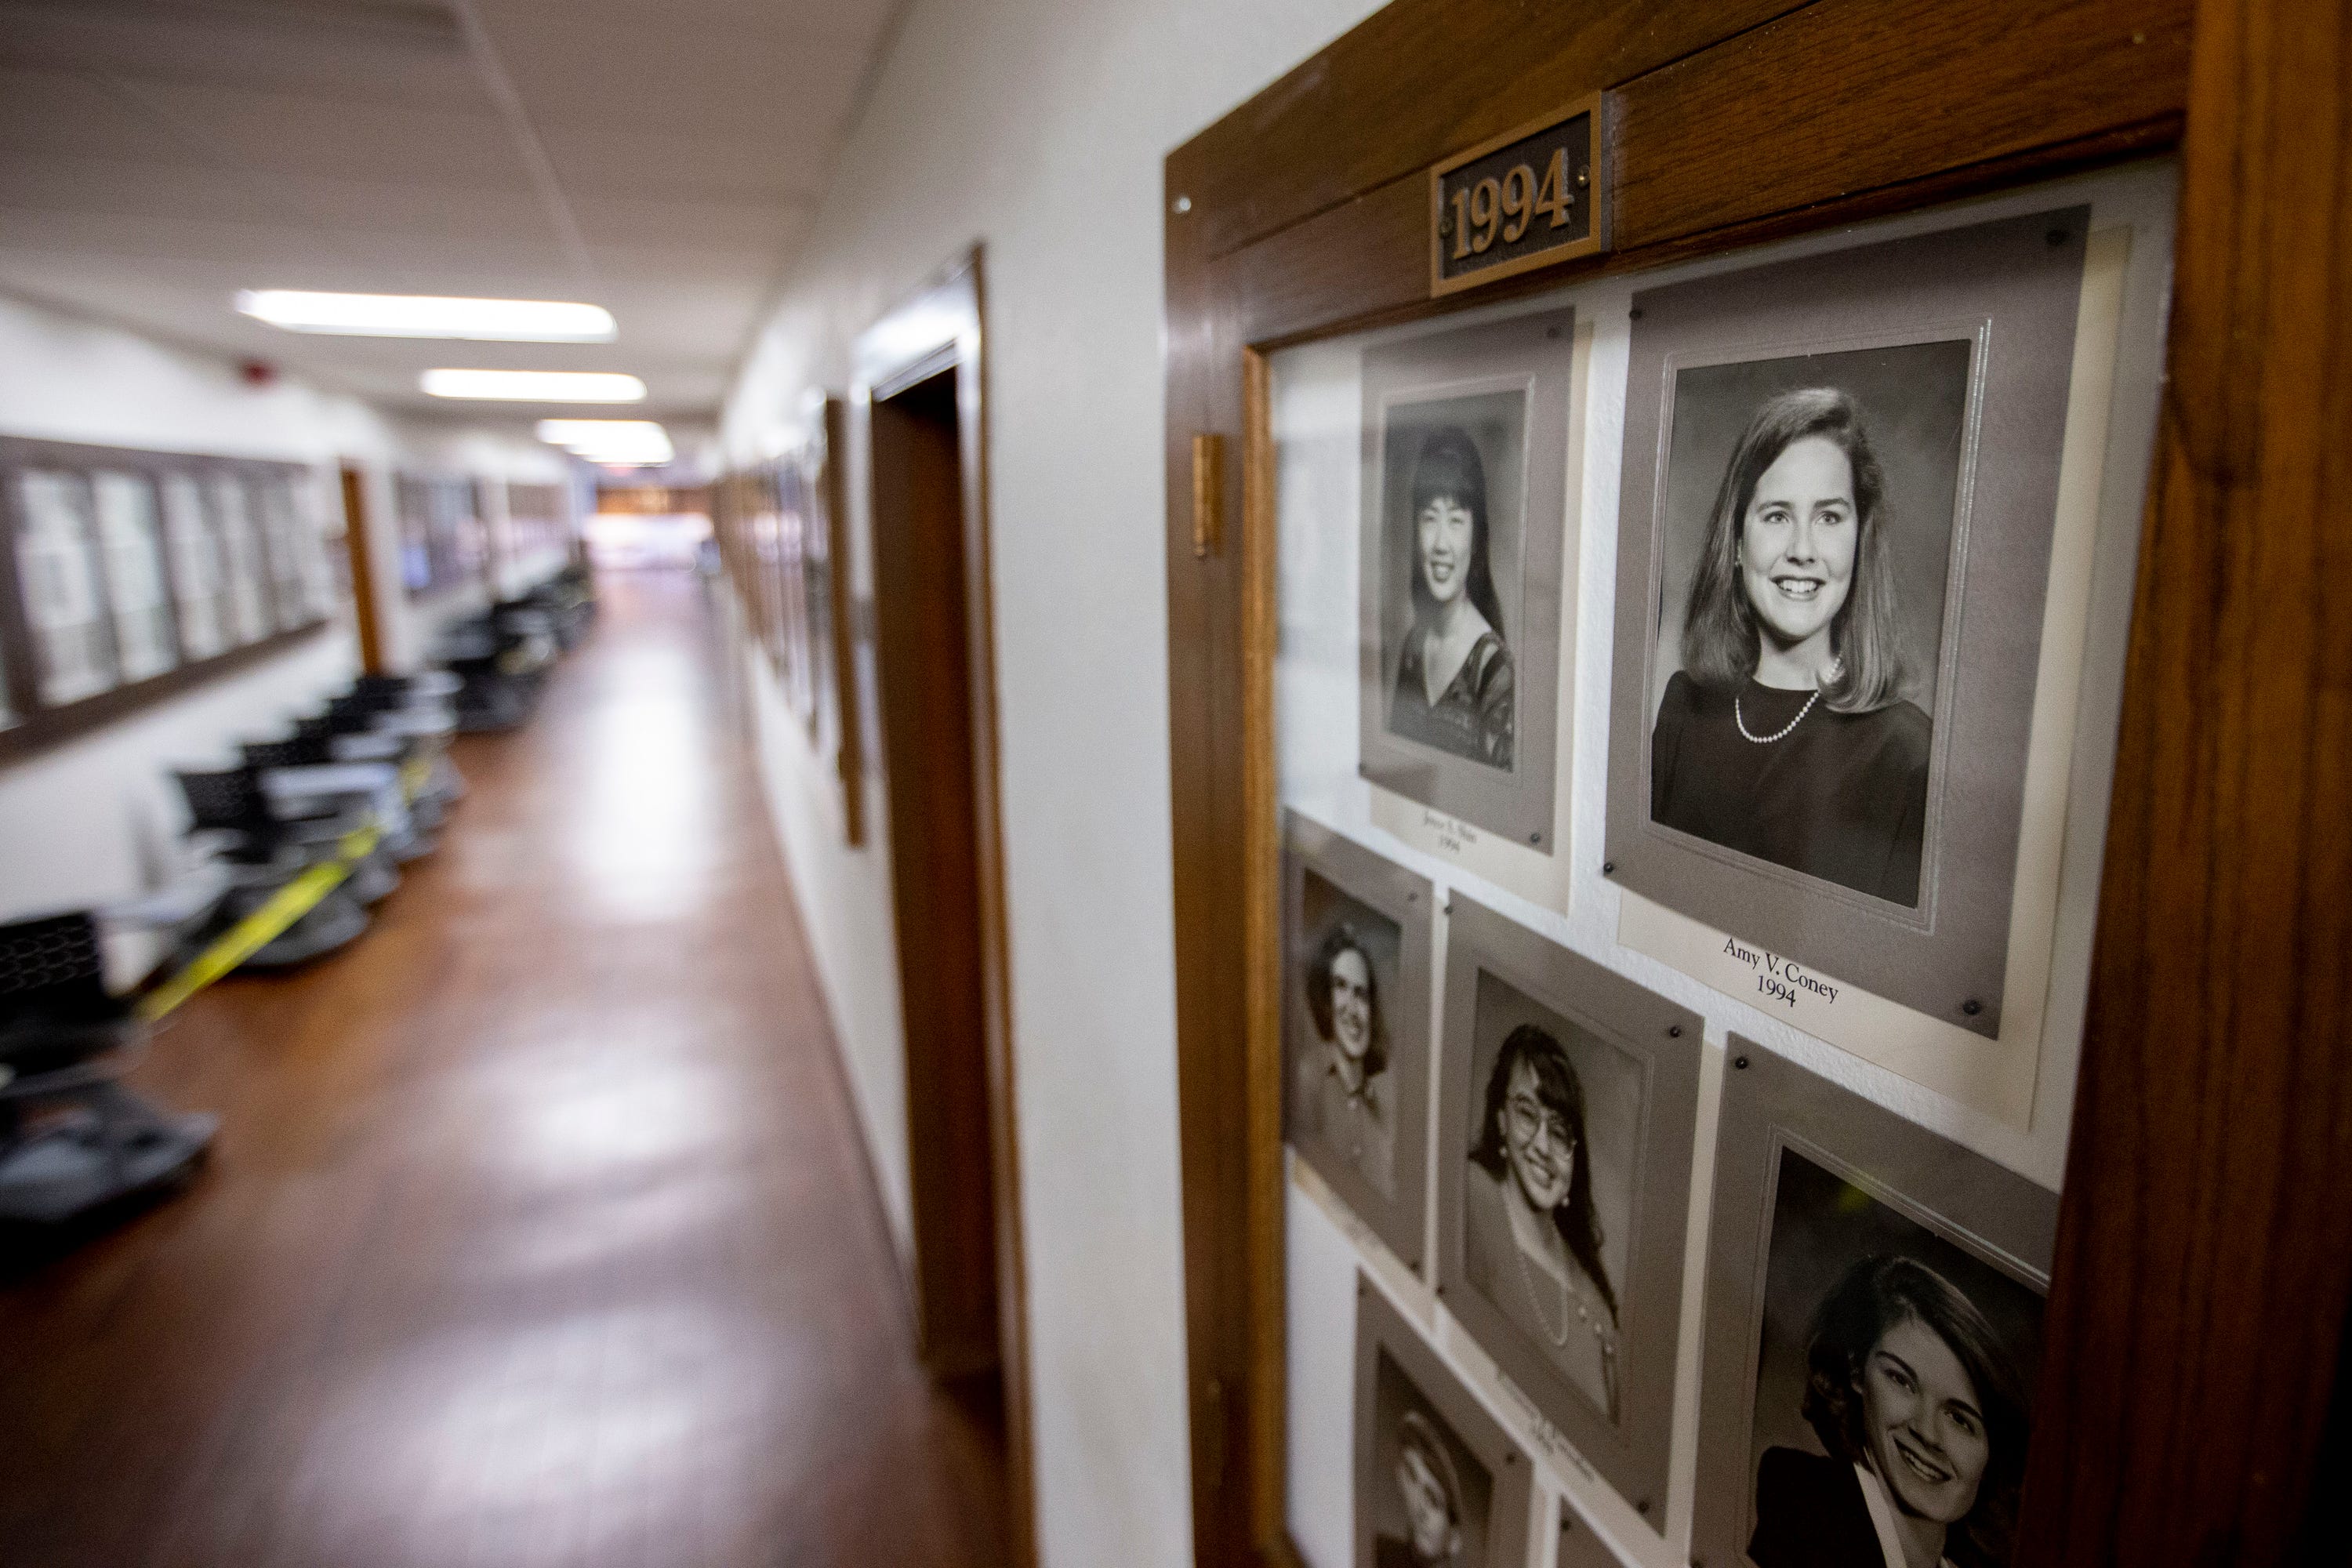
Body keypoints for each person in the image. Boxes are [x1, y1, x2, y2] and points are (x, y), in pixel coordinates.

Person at [1649, 387, 1931, 905]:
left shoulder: (1909, 756)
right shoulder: (1683, 709)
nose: (1803, 551)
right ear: (1736, 543)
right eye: (1777, 515)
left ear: (1860, 542)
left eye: (1829, 517)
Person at [1748, 1254, 2031, 1568]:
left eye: (1959, 1419)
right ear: (1857, 1372)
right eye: (1902, 1381)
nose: (1927, 1432)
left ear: (1992, 1455)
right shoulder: (1806, 1503)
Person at [1461, 1023, 1619, 1418]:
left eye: (1561, 1132)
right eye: (1527, 1115)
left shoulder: (1597, 1310)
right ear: (1500, 1120)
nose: (1544, 1147)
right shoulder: (1471, 1194)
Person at [1390, 426, 1515, 769]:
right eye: (1430, 518)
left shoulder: (1495, 671)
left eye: (1456, 520)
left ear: (1476, 538)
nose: (1441, 544)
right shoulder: (1413, 648)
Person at [1292, 919, 1395, 1195]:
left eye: (1361, 994)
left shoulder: (1383, 1108)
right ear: (1326, 1002)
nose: (1352, 1008)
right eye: (1341, 987)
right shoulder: (1306, 1080)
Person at [1374, 1409, 1468, 1568]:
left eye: (1433, 1501)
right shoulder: (1378, 1551)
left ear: (1455, 1538)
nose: (1420, 1510)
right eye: (1412, 1479)